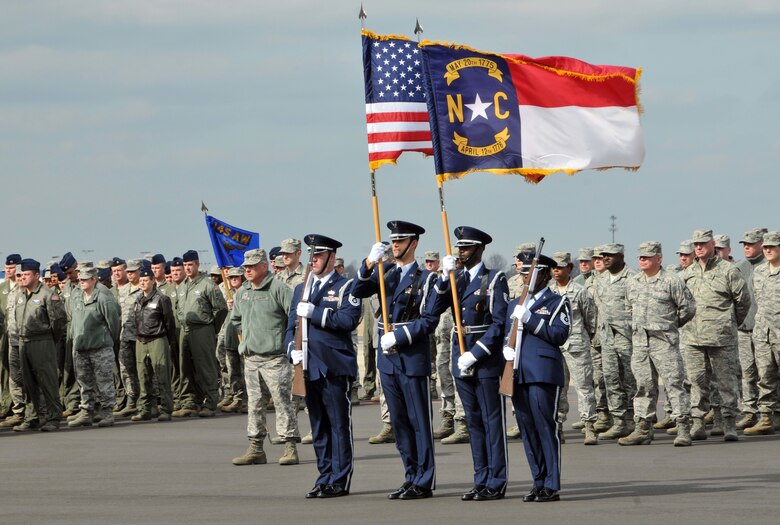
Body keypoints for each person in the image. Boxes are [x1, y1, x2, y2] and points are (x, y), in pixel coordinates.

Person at [351, 220, 443, 500]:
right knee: (399, 422)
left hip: (411, 355)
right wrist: (369, 263)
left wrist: (400, 337)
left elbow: (429, 320)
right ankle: (410, 474)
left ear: (414, 243)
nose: (395, 245)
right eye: (393, 240)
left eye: (401, 241)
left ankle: (424, 480)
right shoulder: (385, 272)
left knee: (418, 421)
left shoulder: (426, 278)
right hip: (387, 360)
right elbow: (358, 291)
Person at [285, 234, 362, 498]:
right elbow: (290, 328)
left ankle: (339, 479)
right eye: (312, 255)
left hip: (334, 365)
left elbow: (348, 320)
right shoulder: (300, 289)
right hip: (308, 366)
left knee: (338, 424)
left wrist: (315, 313)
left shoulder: (345, 286)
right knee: (318, 425)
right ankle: (324, 475)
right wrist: (291, 351)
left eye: (319, 255)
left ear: (331, 257)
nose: (314, 260)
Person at [435, 226, 509, 501]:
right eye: (459, 247)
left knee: (492, 422)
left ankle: (497, 480)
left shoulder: (494, 279)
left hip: (484, 359)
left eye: (466, 248)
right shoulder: (456, 280)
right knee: (473, 422)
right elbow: (433, 307)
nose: (461, 251)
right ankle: (480, 478)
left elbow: (498, 323)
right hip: (460, 355)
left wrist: (476, 353)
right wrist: (444, 278)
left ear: (480, 249)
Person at [502, 251, 570, 503]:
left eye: (529, 273)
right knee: (527, 429)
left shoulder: (556, 302)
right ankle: (538, 481)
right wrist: (504, 348)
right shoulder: (514, 303)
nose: (524, 277)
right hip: (518, 372)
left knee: (545, 426)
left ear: (543, 275)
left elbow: (560, 334)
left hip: (542, 372)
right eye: (522, 272)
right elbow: (505, 333)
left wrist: (530, 319)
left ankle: (551, 484)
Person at [620, 242, 696, 446]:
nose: (642, 260)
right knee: (644, 386)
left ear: (659, 258)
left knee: (674, 385)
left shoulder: (672, 281)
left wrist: (670, 325)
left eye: (647, 256)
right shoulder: (633, 282)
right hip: (640, 342)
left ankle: (683, 427)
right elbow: (629, 308)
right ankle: (643, 428)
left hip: (664, 341)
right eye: (640, 257)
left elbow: (688, 308)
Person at [229, 249, 300, 465]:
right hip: (251, 359)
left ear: (264, 267)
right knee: (255, 405)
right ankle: (256, 448)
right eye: (246, 267)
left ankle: (290, 447)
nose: (247, 270)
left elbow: (294, 317)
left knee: (282, 402)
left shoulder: (278, 289)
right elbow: (236, 319)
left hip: (275, 358)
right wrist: (249, 339)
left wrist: (281, 340)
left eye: (252, 266)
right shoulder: (243, 291)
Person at [682, 229, 750, 441]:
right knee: (696, 382)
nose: (699, 247)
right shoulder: (686, 273)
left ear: (712, 244)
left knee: (726, 382)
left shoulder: (728, 271)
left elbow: (743, 301)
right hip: (693, 338)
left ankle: (728, 423)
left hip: (722, 338)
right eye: (696, 244)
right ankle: (698, 423)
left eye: (703, 243)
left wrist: (729, 323)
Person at [549, 251, 598, 445]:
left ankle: (589, 426)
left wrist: (586, 338)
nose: (556, 271)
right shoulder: (549, 292)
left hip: (576, 345)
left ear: (569, 268)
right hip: (555, 346)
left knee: (584, 387)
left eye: (560, 267)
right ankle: (558, 426)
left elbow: (590, 319)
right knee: (557, 389)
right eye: (554, 267)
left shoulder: (579, 291)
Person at [14, 259, 67, 432]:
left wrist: (51, 340)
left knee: (48, 380)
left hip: (42, 341)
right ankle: (32, 417)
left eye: (27, 274)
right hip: (24, 340)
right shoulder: (20, 295)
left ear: (37, 275)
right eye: (21, 275)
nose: (22, 278)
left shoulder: (47, 294)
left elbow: (58, 321)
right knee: (28, 381)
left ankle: (54, 417)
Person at [175, 250, 228, 417]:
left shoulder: (207, 284)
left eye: (190, 264)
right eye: (185, 265)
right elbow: (178, 307)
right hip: (186, 330)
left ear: (197, 264)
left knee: (206, 366)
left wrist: (211, 328)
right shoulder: (183, 286)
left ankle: (211, 401)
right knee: (186, 367)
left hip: (202, 330)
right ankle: (190, 402)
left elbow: (220, 309)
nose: (188, 268)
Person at [592, 243, 637, 440]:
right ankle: (618, 421)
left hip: (627, 337)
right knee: (611, 379)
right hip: (606, 337)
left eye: (610, 255)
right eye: (604, 256)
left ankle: (633, 420)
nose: (606, 258)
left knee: (630, 380)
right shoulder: (600, 280)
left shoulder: (633, 278)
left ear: (621, 255)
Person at [68, 267, 121, 428]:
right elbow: (72, 319)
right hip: (81, 346)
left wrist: (106, 340)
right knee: (84, 382)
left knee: (104, 381)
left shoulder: (103, 297)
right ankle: (86, 412)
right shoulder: (76, 296)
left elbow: (114, 323)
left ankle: (106, 413)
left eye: (85, 279)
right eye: (80, 280)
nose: (82, 282)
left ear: (94, 279)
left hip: (100, 347)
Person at [745, 231, 780, 435]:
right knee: (765, 375)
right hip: (763, 333)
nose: (767, 250)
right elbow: (754, 300)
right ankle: (767, 417)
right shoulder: (758, 272)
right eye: (765, 247)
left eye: (772, 247)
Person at [133, 265, 177, 422]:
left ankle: (166, 409)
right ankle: (145, 409)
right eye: (141, 280)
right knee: (143, 376)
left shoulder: (161, 299)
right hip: (140, 340)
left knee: (161, 375)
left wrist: (169, 340)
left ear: (153, 281)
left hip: (157, 339)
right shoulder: (138, 299)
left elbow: (169, 321)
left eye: (146, 280)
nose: (143, 283)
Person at [735, 228, 768, 430]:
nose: (747, 247)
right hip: (745, 329)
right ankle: (750, 411)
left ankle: (770, 412)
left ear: (762, 244)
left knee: (768, 373)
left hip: (767, 330)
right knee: (748, 373)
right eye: (744, 244)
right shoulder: (739, 268)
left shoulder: (770, 266)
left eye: (751, 243)